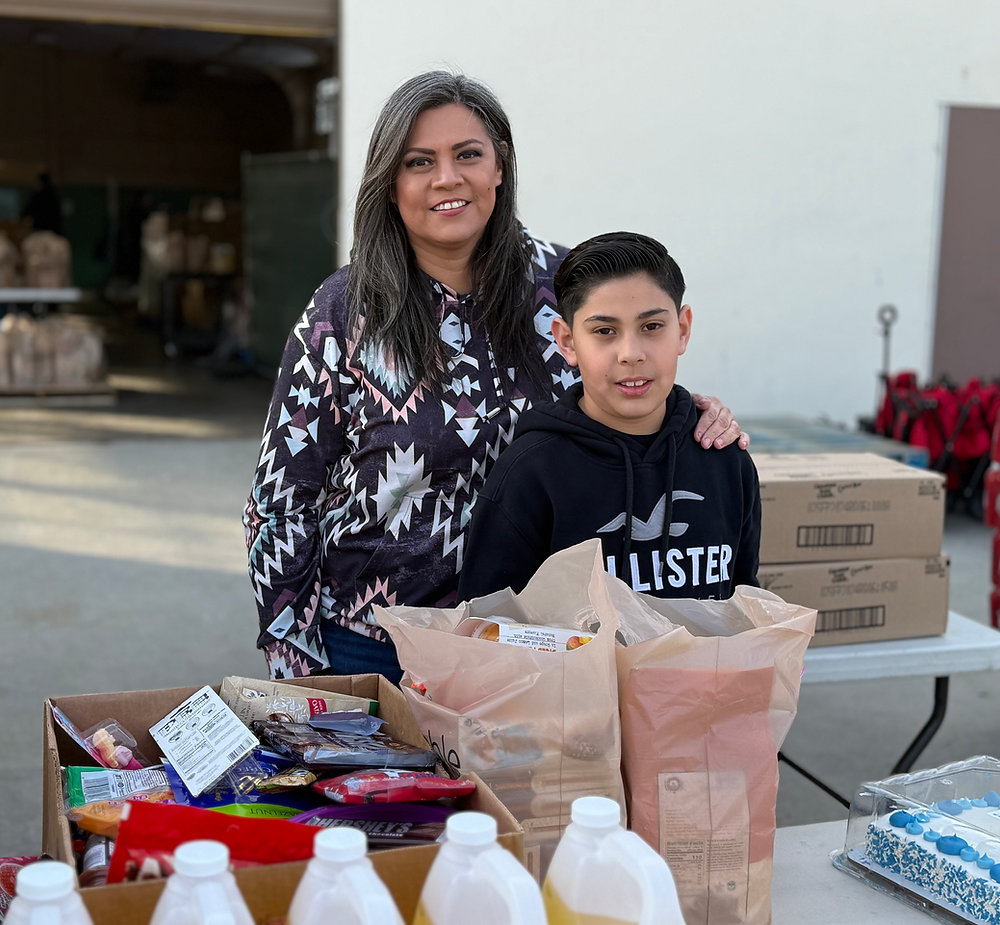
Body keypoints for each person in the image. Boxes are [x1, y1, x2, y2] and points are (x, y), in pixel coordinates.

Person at [243, 71, 748, 682]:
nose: (446, 178)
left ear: (500, 167)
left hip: (547, 647)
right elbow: (279, 502)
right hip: (377, 648)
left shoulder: (563, 287)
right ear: (390, 183)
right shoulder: (345, 312)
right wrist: (298, 665)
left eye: (468, 155)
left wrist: (693, 413)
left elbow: (628, 383)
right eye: (418, 161)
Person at [458, 231, 760, 601]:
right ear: (567, 342)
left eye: (651, 327)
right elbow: (489, 629)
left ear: (682, 330)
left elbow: (743, 602)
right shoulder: (531, 474)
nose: (630, 354)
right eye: (605, 331)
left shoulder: (725, 458)